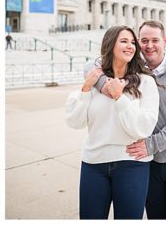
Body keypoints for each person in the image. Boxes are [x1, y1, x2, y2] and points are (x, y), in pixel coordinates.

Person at [84, 20, 166, 219]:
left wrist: (152, 144)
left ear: (165, 41)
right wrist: (107, 86)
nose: (149, 45)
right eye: (144, 40)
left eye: (155, 40)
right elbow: (91, 65)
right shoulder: (135, 70)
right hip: (150, 163)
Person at [66, 26, 159, 219]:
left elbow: (143, 128)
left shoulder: (146, 82)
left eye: (133, 42)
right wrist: (85, 88)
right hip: (94, 163)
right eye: (124, 41)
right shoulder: (95, 81)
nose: (130, 46)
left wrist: (120, 98)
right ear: (110, 45)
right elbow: (75, 122)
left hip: (131, 165)